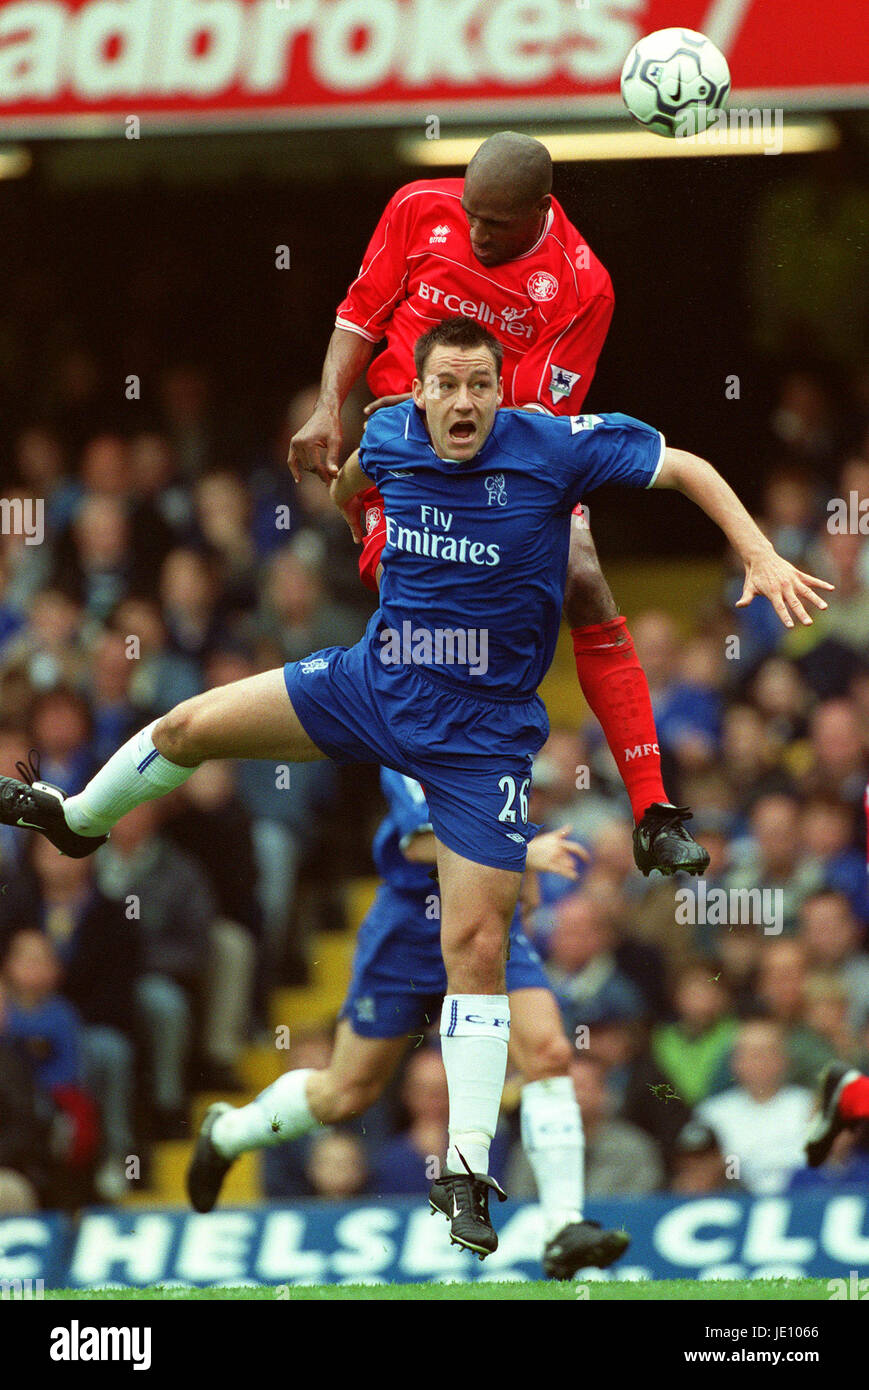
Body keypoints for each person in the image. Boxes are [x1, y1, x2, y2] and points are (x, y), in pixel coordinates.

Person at [0, 316, 832, 1257]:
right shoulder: (391, 429)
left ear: (501, 388)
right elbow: (352, 479)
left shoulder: (553, 446)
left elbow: (684, 466)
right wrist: (354, 501)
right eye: (449, 385)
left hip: (478, 747)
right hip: (373, 684)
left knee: (476, 946)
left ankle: (469, 1176)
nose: (466, 402)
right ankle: (77, 820)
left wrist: (759, 554)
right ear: (423, 391)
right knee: (189, 725)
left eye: (482, 384)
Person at [288, 130, 710, 879]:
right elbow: (358, 317)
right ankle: (421, 785)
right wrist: (330, 409)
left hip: (503, 445)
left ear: (541, 210)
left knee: (583, 580)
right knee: (410, 595)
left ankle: (651, 810)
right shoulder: (419, 207)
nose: (475, 231)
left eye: (494, 223)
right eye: (471, 214)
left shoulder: (582, 286)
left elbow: (542, 422)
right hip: (402, 445)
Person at [186, 765, 629, 1279]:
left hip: (487, 921)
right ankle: (229, 1134)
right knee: (346, 1093)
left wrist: (523, 879)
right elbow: (420, 844)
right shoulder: (415, 733)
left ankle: (562, 1227)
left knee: (550, 1053)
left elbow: (503, 823)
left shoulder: (507, 732)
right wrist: (527, 853)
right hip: (413, 929)